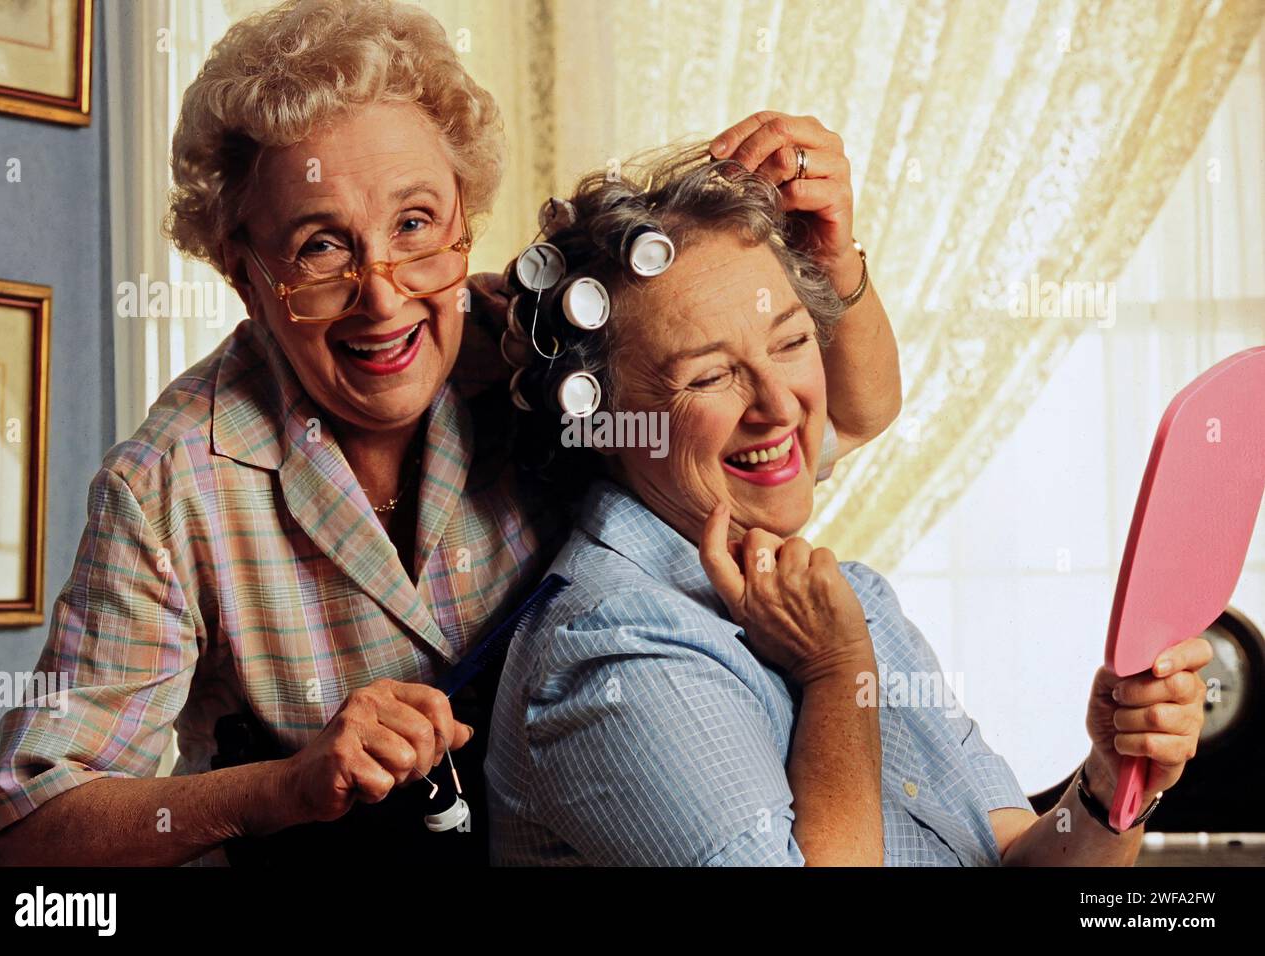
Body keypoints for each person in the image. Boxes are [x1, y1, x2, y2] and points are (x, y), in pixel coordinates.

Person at [0, 0, 901, 865]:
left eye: (415, 224)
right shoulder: (168, 485)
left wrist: (835, 253)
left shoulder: (535, 351)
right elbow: (32, 825)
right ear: (244, 273)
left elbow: (840, 416)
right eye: (320, 246)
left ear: (468, 217)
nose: (384, 293)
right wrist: (284, 788)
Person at [485, 146, 1212, 866]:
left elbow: (1009, 854)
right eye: (709, 377)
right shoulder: (614, 648)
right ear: (604, 424)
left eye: (792, 340)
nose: (778, 404)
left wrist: (1105, 791)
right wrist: (836, 674)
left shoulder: (849, 601)